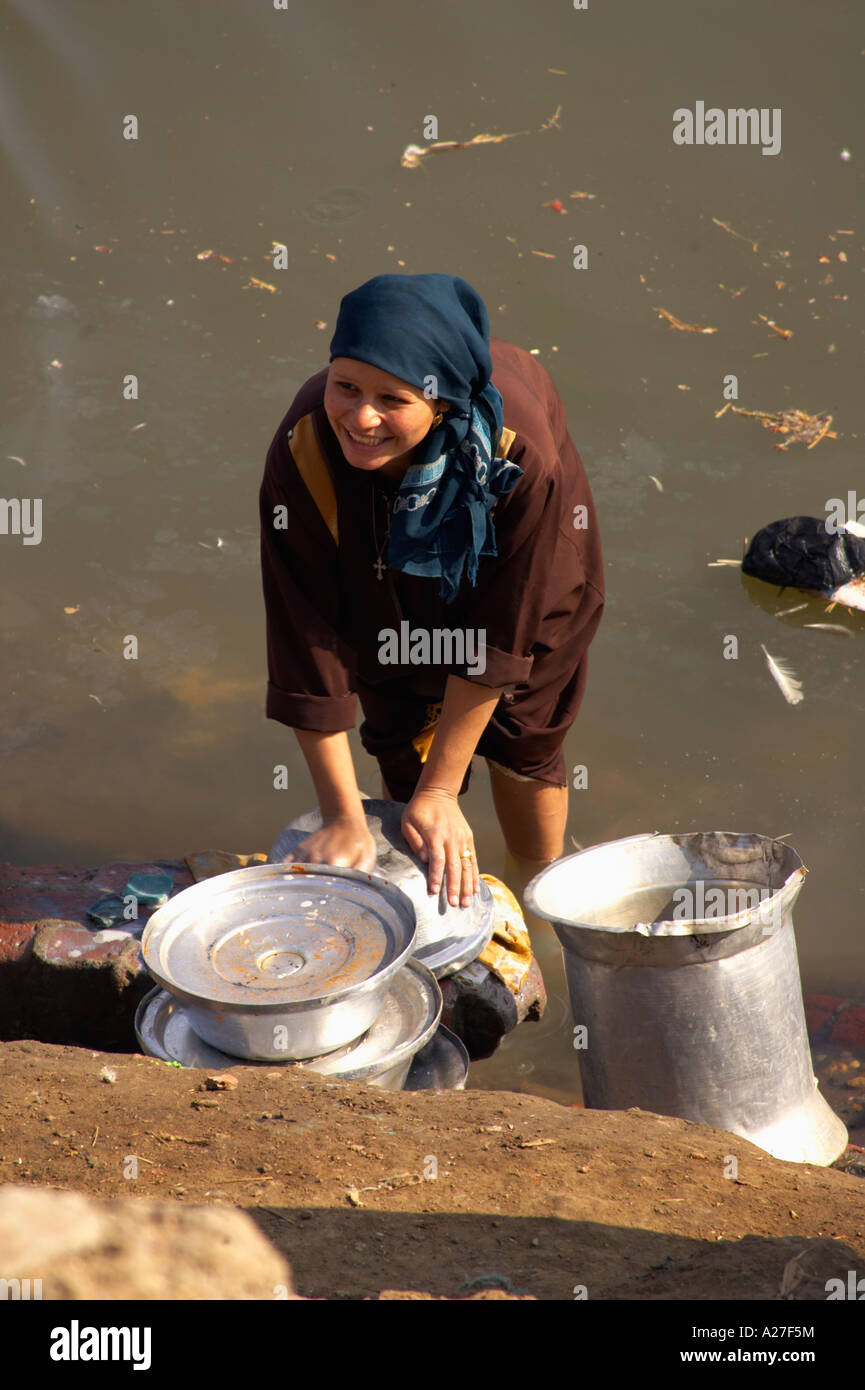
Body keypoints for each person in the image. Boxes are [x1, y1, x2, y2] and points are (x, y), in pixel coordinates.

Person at [259, 272, 604, 918]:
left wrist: (445, 787)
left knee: (523, 731)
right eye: (345, 387)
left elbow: (500, 635)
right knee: (395, 719)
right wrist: (342, 813)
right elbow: (304, 630)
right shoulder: (304, 442)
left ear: (441, 402)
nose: (360, 418)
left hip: (524, 571)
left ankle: (537, 890)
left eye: (391, 399)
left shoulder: (518, 455)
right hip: (375, 571)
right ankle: (426, 861)